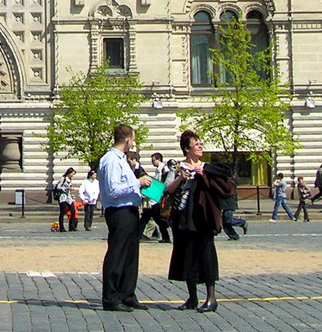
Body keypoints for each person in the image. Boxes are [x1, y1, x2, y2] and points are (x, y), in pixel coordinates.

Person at [164, 129, 233, 314]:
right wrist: (181, 178)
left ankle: (211, 298)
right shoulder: (178, 168)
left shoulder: (207, 166)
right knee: (187, 256)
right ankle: (192, 297)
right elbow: (167, 189)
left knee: (206, 255)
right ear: (187, 148)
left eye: (200, 143)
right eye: (196, 144)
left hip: (203, 217)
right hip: (183, 217)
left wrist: (204, 173)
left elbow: (226, 186)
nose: (200, 146)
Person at [96, 122, 153, 312]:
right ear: (128, 140)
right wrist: (137, 183)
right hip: (119, 211)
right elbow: (113, 191)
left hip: (130, 210)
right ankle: (111, 297)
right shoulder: (111, 160)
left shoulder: (122, 159)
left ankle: (127, 293)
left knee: (130, 254)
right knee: (117, 254)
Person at [140, 153, 172, 242]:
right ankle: (165, 237)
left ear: (158, 159)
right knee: (149, 217)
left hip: (159, 198)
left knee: (156, 218)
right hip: (155, 198)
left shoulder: (164, 169)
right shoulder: (158, 170)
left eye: (153, 160)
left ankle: (165, 236)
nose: (152, 162)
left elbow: (164, 183)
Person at [55, 168, 79, 234]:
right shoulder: (63, 178)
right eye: (72, 174)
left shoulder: (70, 179)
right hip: (62, 196)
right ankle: (61, 227)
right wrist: (66, 188)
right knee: (62, 212)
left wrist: (71, 189)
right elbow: (58, 187)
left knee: (72, 210)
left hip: (68, 196)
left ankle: (72, 226)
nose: (72, 176)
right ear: (69, 173)